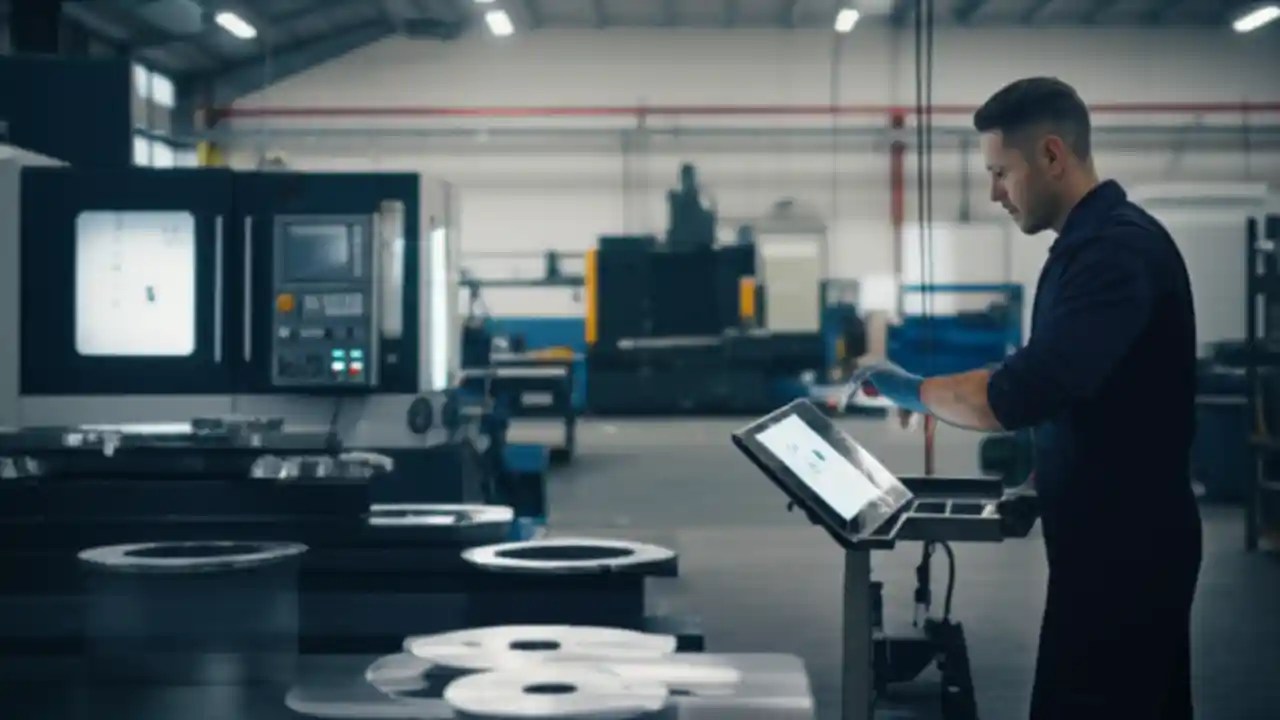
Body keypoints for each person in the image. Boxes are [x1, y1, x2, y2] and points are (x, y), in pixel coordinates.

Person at [860, 77, 1202, 719]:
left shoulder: (1114, 253)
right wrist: (1044, 481)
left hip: (1127, 559)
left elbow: (1017, 394)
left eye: (999, 173)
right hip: (1100, 544)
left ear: (1051, 155)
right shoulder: (1084, 248)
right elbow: (1087, 391)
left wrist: (915, 391)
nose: (993, 193)